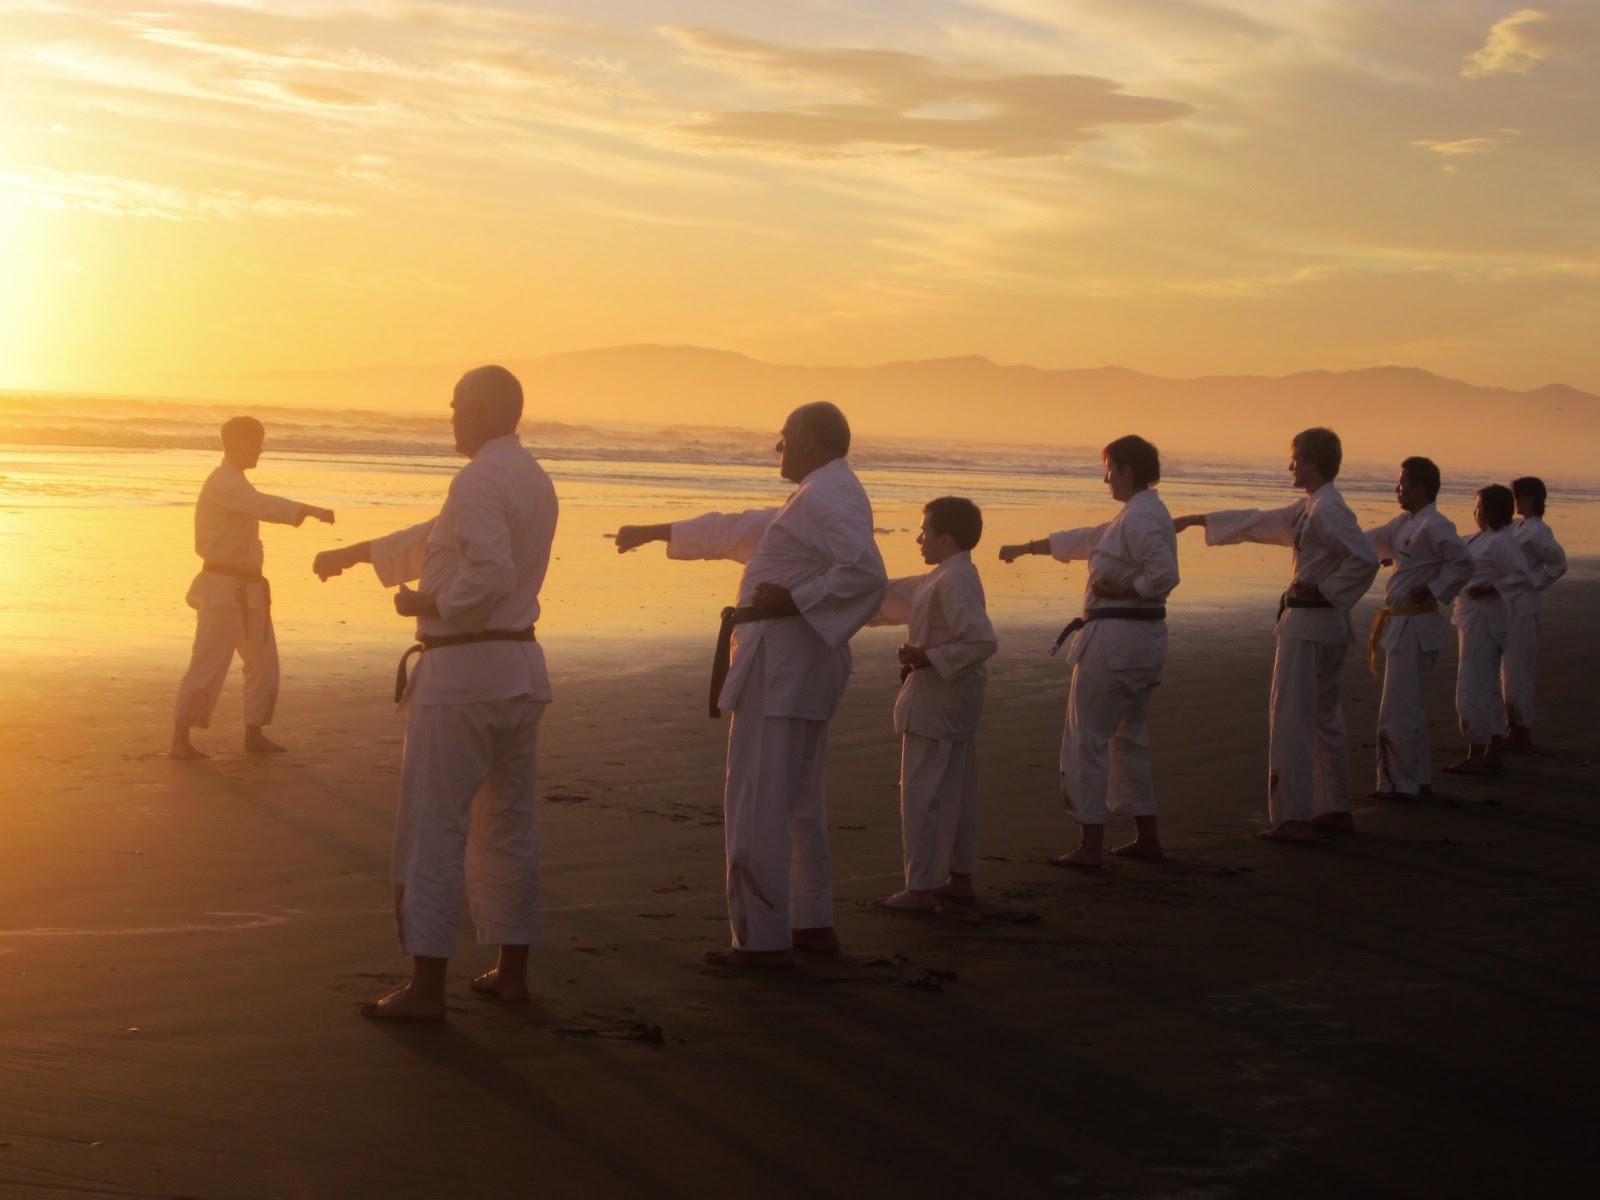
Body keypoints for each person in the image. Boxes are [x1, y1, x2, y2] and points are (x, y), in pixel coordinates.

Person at [310, 366, 558, 1021]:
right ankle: (511, 970)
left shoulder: (477, 478)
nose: (449, 417)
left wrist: (429, 600)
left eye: (454, 406)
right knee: (509, 824)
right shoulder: (530, 476)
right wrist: (357, 553)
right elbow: (437, 539)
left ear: (478, 408)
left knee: (434, 828)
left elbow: (485, 570)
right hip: (517, 673)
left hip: (464, 679)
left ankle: (425, 990)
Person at [614, 402, 887, 966]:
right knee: (798, 801)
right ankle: (811, 921)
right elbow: (737, 527)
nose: (777, 448)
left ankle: (761, 938)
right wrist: (654, 530)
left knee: (760, 800)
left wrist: (794, 599)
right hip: (799, 668)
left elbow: (865, 572)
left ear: (809, 439)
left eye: (783, 439)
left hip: (782, 668)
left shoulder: (828, 495)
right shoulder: (821, 493)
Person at [1173, 427, 1378, 842]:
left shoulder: (1328, 509)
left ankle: (1295, 815)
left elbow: (1365, 559)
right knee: (1322, 716)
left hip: (1311, 625)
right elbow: (1260, 521)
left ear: (1313, 462)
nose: (1290, 465)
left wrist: (1323, 590)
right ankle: (1334, 806)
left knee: (1293, 717)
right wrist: (1200, 520)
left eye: (1296, 458)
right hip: (1317, 625)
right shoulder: (1312, 507)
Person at [1000, 435, 1179, 867]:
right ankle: (1146, 838)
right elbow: (1084, 539)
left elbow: (1165, 575)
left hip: (1117, 641)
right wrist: (1027, 548)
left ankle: (1090, 845)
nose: (1106, 479)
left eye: (1110, 469)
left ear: (1127, 472)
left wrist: (1122, 587)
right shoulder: (1140, 515)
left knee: (1088, 739)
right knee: (1129, 738)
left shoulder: (1140, 519)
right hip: (1140, 642)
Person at [171, 417, 334, 759]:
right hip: (221, 588)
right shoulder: (222, 483)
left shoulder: (238, 484)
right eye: (254, 442)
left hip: (250, 588)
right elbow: (263, 506)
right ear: (234, 445)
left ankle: (254, 732)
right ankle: (180, 739)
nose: (260, 449)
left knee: (264, 663)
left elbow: (257, 504)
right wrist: (307, 509)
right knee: (208, 663)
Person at [868, 497, 997, 911]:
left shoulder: (954, 580)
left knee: (923, 794)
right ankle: (959, 878)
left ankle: (920, 888)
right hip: (952, 700)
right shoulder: (947, 576)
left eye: (925, 530)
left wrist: (927, 657)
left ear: (945, 537)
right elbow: (892, 596)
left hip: (940, 701)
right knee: (957, 791)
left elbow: (980, 640)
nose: (919, 538)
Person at [1363, 457, 1471, 800]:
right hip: (1401, 623)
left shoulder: (1435, 525)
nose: (1398, 489)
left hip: (1416, 623)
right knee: (1405, 706)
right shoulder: (1404, 524)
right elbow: (1367, 541)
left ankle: (1402, 784)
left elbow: (1464, 563)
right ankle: (1415, 779)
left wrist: (1435, 588)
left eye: (1403, 483)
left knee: (1400, 708)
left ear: (1421, 487)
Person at [1448, 484, 1531, 775]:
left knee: (1472, 685)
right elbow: (1451, 550)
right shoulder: (1481, 538)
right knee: (1489, 685)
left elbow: (1522, 574)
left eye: (1480, 506)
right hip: (1473, 618)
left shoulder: (1501, 542)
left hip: (1485, 621)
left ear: (1493, 510)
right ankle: (1492, 748)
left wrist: (1492, 588)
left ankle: (1475, 752)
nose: (1475, 512)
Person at [1501, 476, 1567, 748]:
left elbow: (1558, 564)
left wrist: (1533, 582)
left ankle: (1522, 727)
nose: (1515, 501)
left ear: (1532, 498)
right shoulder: (1516, 526)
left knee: (1518, 668)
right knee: (1506, 668)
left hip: (1525, 605)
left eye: (1519, 496)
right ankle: (1511, 725)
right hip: (1507, 603)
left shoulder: (1539, 530)